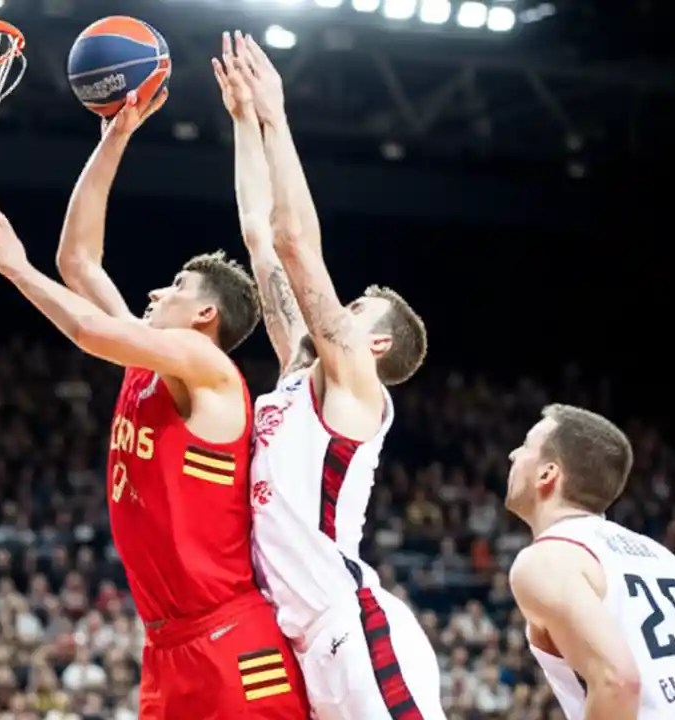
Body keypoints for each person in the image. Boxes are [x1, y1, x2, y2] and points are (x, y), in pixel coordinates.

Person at [0, 98, 311, 719]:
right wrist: (115, 137)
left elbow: (89, 330)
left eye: (176, 286)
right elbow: (77, 262)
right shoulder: (152, 365)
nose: (155, 291)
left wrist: (17, 271)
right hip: (168, 646)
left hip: (234, 645)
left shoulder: (206, 366)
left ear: (205, 314)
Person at [215, 32, 443, 720]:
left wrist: (278, 117)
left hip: (354, 629)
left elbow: (295, 241)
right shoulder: (299, 369)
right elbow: (259, 234)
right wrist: (244, 122)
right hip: (303, 645)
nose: (335, 311)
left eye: (353, 311)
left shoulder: (356, 388)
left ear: (374, 342)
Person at [506, 403, 675, 720]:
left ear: (547, 474)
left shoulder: (546, 559)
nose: (513, 454)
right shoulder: (658, 554)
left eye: (525, 446)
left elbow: (617, 681)